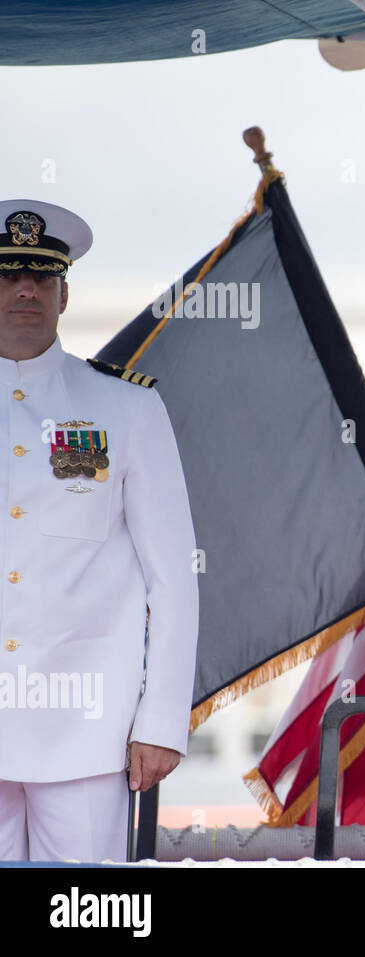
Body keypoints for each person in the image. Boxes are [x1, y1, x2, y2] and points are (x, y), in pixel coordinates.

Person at [0, 200, 199, 862]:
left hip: (86, 728)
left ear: (64, 292)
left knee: (82, 913)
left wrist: (163, 719)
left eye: (40, 276)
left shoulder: (125, 407)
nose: (25, 289)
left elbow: (173, 578)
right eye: (8, 275)